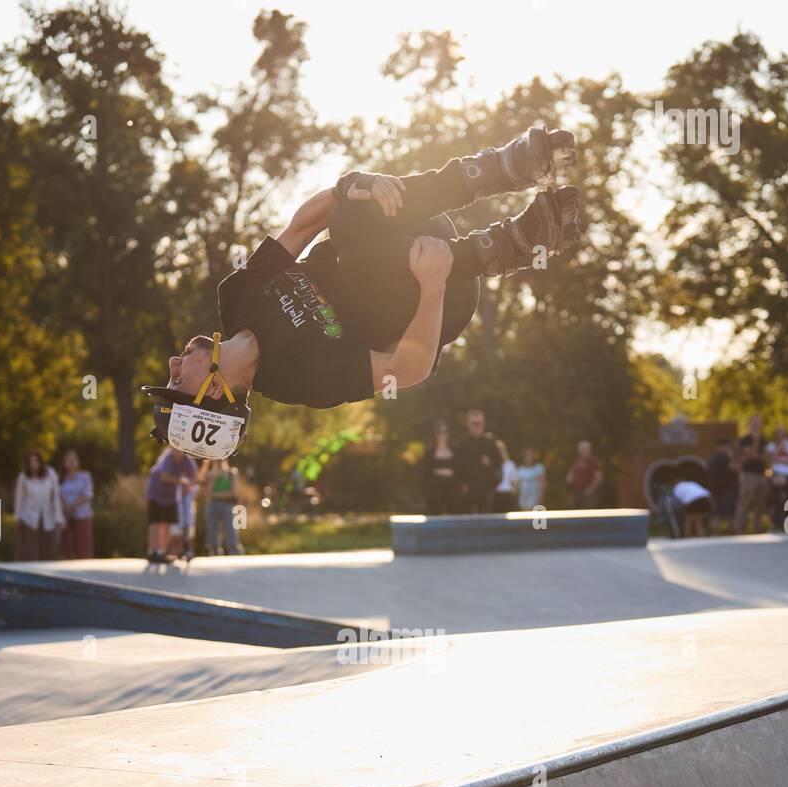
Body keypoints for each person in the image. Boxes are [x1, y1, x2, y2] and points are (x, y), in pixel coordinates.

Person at [141, 123, 580, 455]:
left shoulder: (235, 298)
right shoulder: (297, 379)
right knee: (357, 263)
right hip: (439, 298)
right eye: (177, 378)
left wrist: (353, 183)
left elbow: (305, 224)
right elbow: (408, 369)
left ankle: (502, 168)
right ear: (214, 393)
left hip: (407, 232)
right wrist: (432, 288)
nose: (174, 361)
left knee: (350, 210)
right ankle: (511, 243)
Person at [145, 447, 200, 563]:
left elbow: (194, 475)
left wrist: (189, 485)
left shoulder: (186, 459)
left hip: (170, 496)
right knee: (155, 522)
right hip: (156, 493)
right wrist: (181, 482)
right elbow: (163, 477)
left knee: (167, 523)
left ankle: (162, 551)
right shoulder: (167, 458)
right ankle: (153, 551)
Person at [14, 450, 63, 560]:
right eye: (30, 462)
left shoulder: (51, 473)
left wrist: (58, 517)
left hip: (47, 516)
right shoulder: (23, 476)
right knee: (30, 550)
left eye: (36, 461)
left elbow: (56, 497)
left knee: (48, 550)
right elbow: (19, 499)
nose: (33, 464)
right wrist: (18, 518)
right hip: (29, 517)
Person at [454, 409, 503, 513]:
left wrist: (490, 463)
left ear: (483, 424)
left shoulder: (490, 442)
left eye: (479, 423)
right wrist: (461, 483)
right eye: (473, 423)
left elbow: (499, 463)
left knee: (486, 519)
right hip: (468, 489)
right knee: (466, 519)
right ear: (468, 424)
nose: (476, 426)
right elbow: (456, 466)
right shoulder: (461, 443)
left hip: (486, 488)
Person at [734, 414, 768, 533]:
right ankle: (739, 528)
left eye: (758, 423)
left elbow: (766, 456)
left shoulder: (764, 439)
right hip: (749, 475)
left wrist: (759, 455)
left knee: (760, 502)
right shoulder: (746, 439)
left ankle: (757, 527)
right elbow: (749, 455)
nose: (756, 425)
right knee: (745, 501)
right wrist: (755, 441)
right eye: (754, 423)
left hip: (761, 474)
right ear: (750, 424)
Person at [59, 448, 94, 559]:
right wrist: (66, 507)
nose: (71, 462)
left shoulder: (85, 476)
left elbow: (87, 494)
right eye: (68, 460)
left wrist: (73, 505)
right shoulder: (61, 480)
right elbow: (58, 497)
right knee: (67, 548)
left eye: (73, 459)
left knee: (84, 547)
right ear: (64, 463)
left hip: (82, 516)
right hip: (66, 517)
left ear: (78, 462)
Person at [203, 460, 242, 555]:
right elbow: (207, 493)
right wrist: (214, 478)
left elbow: (234, 492)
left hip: (228, 505)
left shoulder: (232, 473)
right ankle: (214, 552)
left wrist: (215, 495)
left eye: (221, 460)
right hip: (212, 505)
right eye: (217, 461)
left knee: (231, 530)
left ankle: (234, 552)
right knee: (212, 531)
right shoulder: (210, 475)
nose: (219, 463)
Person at [420, 421, 459, 515]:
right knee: (435, 513)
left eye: (445, 432)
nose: (442, 435)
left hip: (451, 487)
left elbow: (460, 469)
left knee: (453, 513)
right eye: (440, 432)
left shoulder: (455, 450)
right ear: (436, 435)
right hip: (435, 487)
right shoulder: (429, 452)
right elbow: (424, 471)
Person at [764, 424, 788, 530]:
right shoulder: (771, 446)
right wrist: (779, 449)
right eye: (779, 433)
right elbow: (770, 460)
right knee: (777, 499)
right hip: (776, 473)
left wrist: (781, 457)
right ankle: (777, 523)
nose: (781, 435)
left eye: (783, 433)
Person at [705, 438, 738, 534]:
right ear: (721, 447)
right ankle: (733, 532)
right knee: (731, 512)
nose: (728, 448)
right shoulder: (724, 457)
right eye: (727, 446)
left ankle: (716, 533)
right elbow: (734, 468)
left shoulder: (712, 457)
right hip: (725, 488)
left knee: (716, 513)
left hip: (714, 488)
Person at [566, 441, 602, 507]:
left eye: (585, 449)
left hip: (588, 493)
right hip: (576, 492)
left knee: (587, 514)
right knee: (573, 513)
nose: (583, 451)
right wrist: (569, 478)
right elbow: (571, 472)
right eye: (581, 449)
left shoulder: (593, 461)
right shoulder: (577, 460)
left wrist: (590, 489)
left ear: (589, 450)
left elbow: (598, 477)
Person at [493, 440, 519, 511]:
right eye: (499, 451)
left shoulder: (511, 464)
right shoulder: (494, 464)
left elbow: (515, 480)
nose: (500, 453)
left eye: (502, 451)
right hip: (497, 494)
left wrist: (514, 493)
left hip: (507, 493)